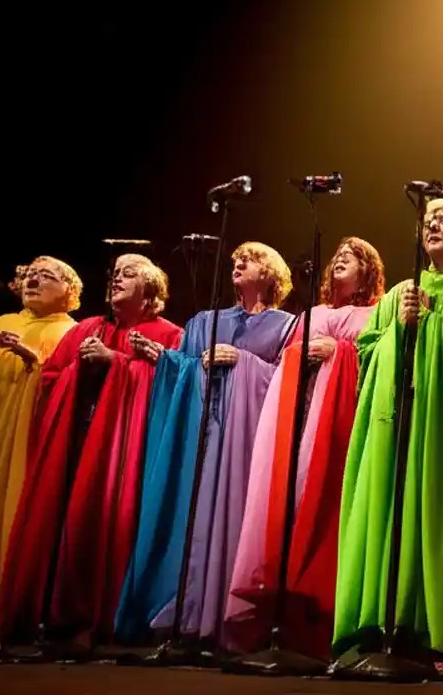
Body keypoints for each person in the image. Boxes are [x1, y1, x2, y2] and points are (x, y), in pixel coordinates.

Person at [335, 198, 443, 660]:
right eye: (429, 219)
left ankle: (431, 629)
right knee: (385, 509)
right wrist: (399, 328)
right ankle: (378, 624)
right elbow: (367, 352)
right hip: (394, 423)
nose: (433, 223)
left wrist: (430, 322)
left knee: (432, 513)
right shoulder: (399, 293)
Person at [0, 255, 182, 647]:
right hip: (75, 443)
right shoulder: (86, 329)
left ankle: (107, 619)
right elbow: (49, 378)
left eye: (128, 274)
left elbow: (176, 390)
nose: (116, 279)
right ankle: (48, 619)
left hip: (128, 453)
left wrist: (119, 363)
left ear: (150, 291)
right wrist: (79, 370)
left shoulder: (169, 334)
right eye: (114, 273)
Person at [116, 242, 295, 645]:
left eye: (249, 259)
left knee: (236, 515)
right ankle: (185, 612)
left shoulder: (287, 325)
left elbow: (291, 383)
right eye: (235, 259)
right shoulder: (204, 321)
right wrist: (170, 359)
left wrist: (246, 364)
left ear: (271, 272)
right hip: (203, 432)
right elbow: (183, 367)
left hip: (248, 440)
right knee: (192, 514)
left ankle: (227, 616)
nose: (238, 263)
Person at [225, 237, 386, 658]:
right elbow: (282, 362)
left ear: (368, 270)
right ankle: (279, 609)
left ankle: (321, 612)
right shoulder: (309, 315)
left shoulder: (376, 313)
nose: (338, 263)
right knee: (287, 505)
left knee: (326, 504)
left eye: (349, 259)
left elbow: (381, 364)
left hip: (342, 421)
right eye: (336, 258)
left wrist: (342, 352)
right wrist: (303, 354)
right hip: (298, 419)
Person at [0, 257, 80, 641]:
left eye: (47, 276)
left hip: (25, 428)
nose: (34, 280)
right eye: (30, 275)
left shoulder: (69, 331)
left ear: (70, 291)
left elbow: (68, 384)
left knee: (5, 509)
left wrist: (33, 360)